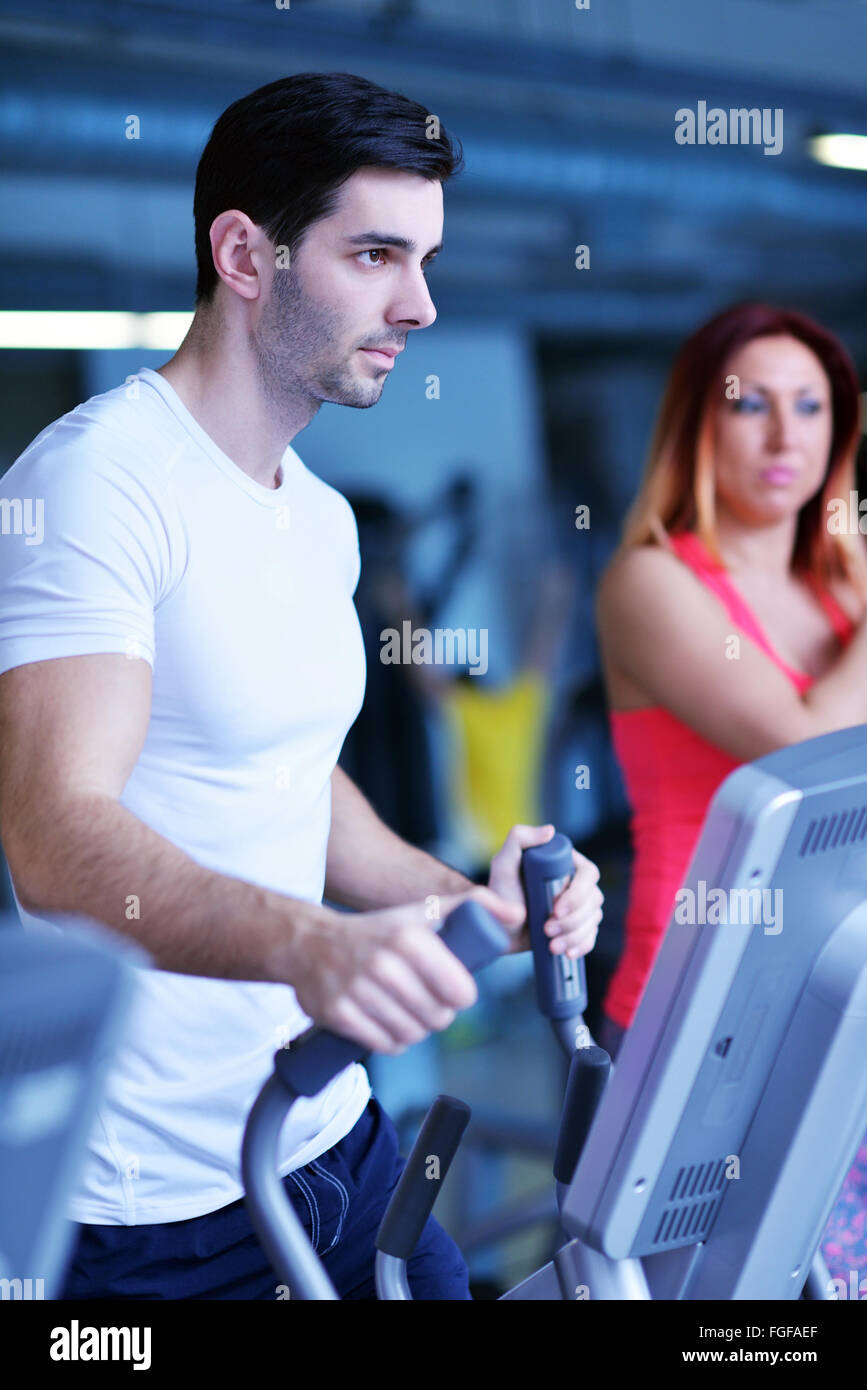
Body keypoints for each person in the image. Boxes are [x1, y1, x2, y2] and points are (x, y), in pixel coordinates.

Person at [0, 72, 602, 1300]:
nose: (420, 303)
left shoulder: (319, 519)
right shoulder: (95, 484)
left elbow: (285, 773)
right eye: (377, 252)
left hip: (331, 1128)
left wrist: (467, 899)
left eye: (426, 259)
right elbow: (55, 837)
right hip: (154, 1208)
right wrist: (312, 947)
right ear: (243, 253)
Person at [594, 300, 867, 1288]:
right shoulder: (653, 584)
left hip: (835, 993)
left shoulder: (839, 583)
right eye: (751, 403)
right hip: (700, 1007)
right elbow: (800, 751)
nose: (787, 434)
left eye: (812, 404)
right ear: (696, 425)